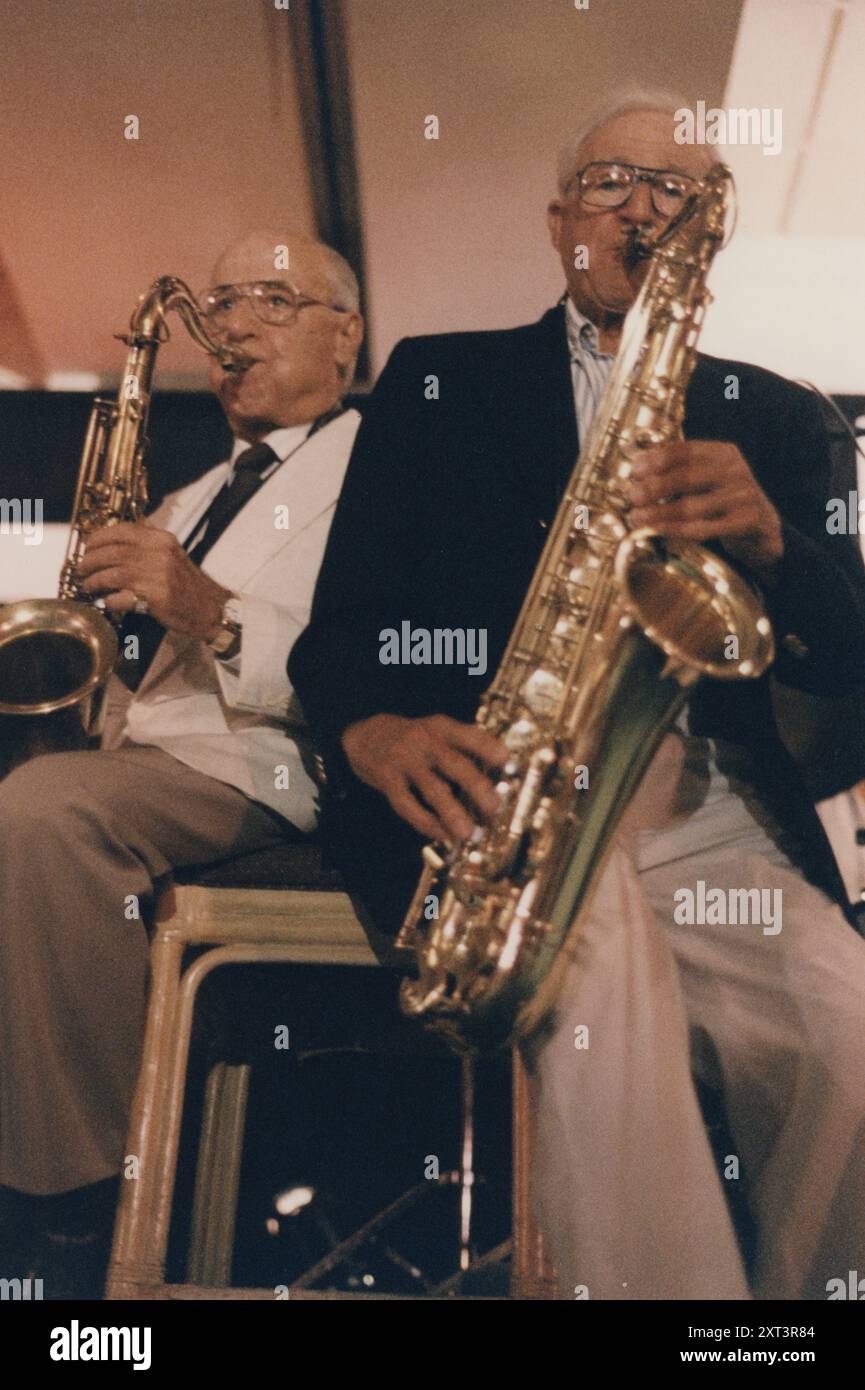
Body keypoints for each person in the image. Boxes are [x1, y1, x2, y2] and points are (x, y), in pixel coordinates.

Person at [288, 94, 865, 1299]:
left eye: (676, 191)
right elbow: (339, 627)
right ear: (559, 222)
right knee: (602, 1007)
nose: (642, 209)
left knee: (851, 1036)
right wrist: (372, 726)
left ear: (706, 237)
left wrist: (774, 545)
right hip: (509, 791)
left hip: (705, 803)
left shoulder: (781, 413)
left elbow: (852, 657)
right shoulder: (436, 378)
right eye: (612, 182)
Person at [0, 229, 364, 1296]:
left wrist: (206, 607)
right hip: (138, 764)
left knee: (42, 818)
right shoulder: (188, 494)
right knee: (42, 802)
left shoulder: (389, 474)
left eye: (272, 299)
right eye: (221, 302)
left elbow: (374, 665)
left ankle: (80, 1210)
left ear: (345, 336)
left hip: (273, 769)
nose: (233, 325)